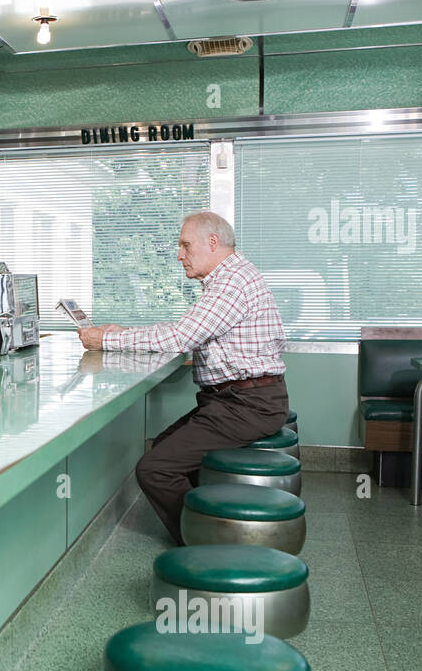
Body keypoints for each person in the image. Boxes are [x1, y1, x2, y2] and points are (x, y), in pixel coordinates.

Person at [77, 211, 287, 545]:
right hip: (237, 401)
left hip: (247, 405)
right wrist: (127, 333)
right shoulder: (230, 279)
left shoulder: (232, 283)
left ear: (212, 242)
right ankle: (210, 522)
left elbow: (179, 337)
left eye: (185, 245)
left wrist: (105, 340)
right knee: (163, 448)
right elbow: (188, 330)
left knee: (154, 468)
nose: (179, 255)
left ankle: (205, 546)